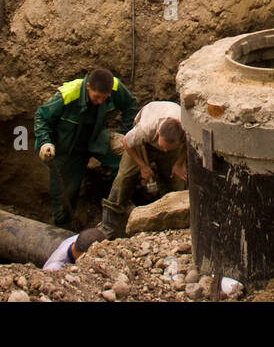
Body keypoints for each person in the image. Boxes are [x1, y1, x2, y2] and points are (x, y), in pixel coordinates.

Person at [34, 68, 139, 229]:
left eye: (105, 99)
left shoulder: (114, 86)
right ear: (88, 86)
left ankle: (120, 205)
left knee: (128, 159)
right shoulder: (68, 94)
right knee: (64, 193)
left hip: (96, 137)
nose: (100, 102)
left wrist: (124, 133)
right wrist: (45, 142)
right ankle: (63, 228)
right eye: (97, 97)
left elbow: (130, 105)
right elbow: (41, 116)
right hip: (67, 146)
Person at [100, 100, 187, 238]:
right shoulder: (145, 129)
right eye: (162, 146)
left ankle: (175, 220)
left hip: (172, 145)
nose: (164, 150)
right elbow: (126, 143)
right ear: (158, 133)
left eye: (167, 148)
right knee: (124, 177)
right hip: (142, 145)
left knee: (176, 181)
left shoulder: (187, 128)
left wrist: (179, 163)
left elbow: (190, 145)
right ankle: (108, 226)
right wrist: (142, 166)